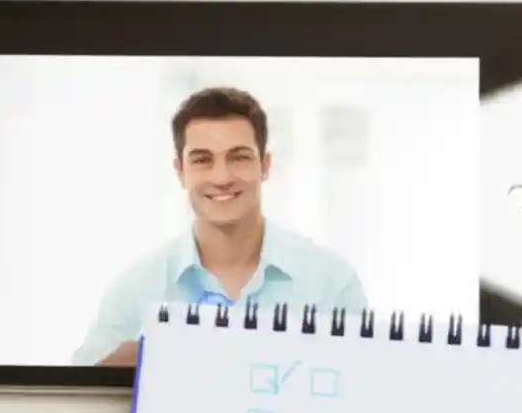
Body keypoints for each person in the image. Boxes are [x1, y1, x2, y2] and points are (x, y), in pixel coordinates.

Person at [72, 86, 368, 367]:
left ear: (265, 165)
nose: (222, 177)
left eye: (238, 157)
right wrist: (123, 366)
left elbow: (363, 393)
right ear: (180, 172)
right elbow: (76, 400)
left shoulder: (331, 282)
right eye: (202, 160)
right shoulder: (135, 292)